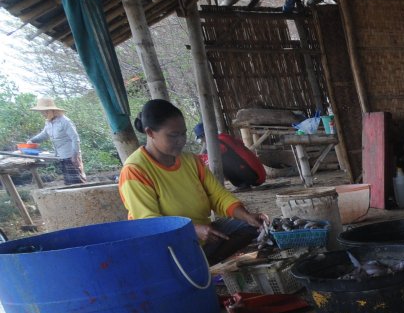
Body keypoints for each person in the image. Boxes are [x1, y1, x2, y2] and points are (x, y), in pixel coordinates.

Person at [119, 100, 268, 264]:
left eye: (183, 133)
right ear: (150, 133)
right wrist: (192, 231)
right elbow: (151, 223)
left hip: (202, 235)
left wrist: (246, 216)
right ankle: (194, 265)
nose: (181, 140)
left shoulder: (191, 161)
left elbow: (218, 196)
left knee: (251, 226)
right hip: (167, 246)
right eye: (173, 135)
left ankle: (205, 263)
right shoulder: (135, 170)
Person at [28, 96, 85, 185]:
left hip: (71, 155)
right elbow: (45, 134)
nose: (43, 114)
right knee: (69, 184)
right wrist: (33, 140)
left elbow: (75, 138)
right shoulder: (48, 122)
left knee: (77, 182)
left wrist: (75, 156)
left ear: (51, 110)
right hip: (61, 156)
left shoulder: (65, 121)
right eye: (42, 112)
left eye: (45, 111)